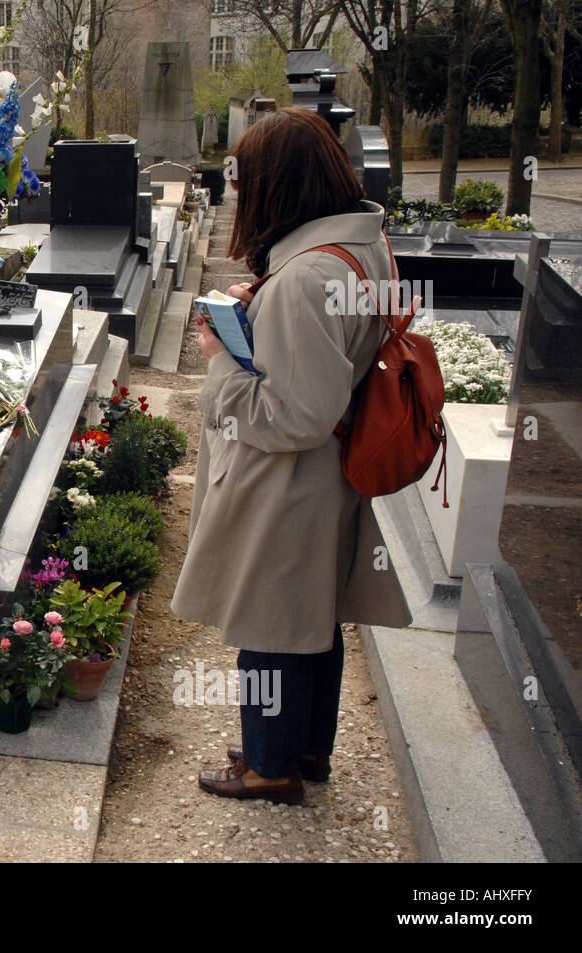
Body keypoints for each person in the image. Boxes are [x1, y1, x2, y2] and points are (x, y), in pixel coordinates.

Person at [171, 107, 413, 804]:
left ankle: (270, 765)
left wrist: (221, 362)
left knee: (271, 626)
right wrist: (264, 306)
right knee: (312, 621)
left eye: (247, 183)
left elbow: (296, 415)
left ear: (277, 187)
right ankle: (306, 748)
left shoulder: (306, 279)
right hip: (327, 482)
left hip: (289, 484)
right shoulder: (357, 248)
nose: (242, 197)